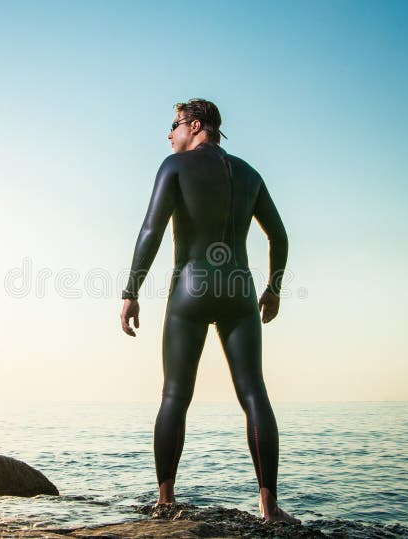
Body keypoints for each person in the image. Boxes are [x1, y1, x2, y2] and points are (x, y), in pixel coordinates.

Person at [119, 98, 299, 524]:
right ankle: (270, 507)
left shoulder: (174, 167)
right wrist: (273, 289)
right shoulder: (250, 174)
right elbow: (279, 236)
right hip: (239, 290)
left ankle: (165, 501)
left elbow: (151, 230)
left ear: (196, 125)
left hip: (191, 288)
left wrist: (131, 290)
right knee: (253, 392)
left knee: (175, 395)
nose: (170, 134)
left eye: (175, 124)